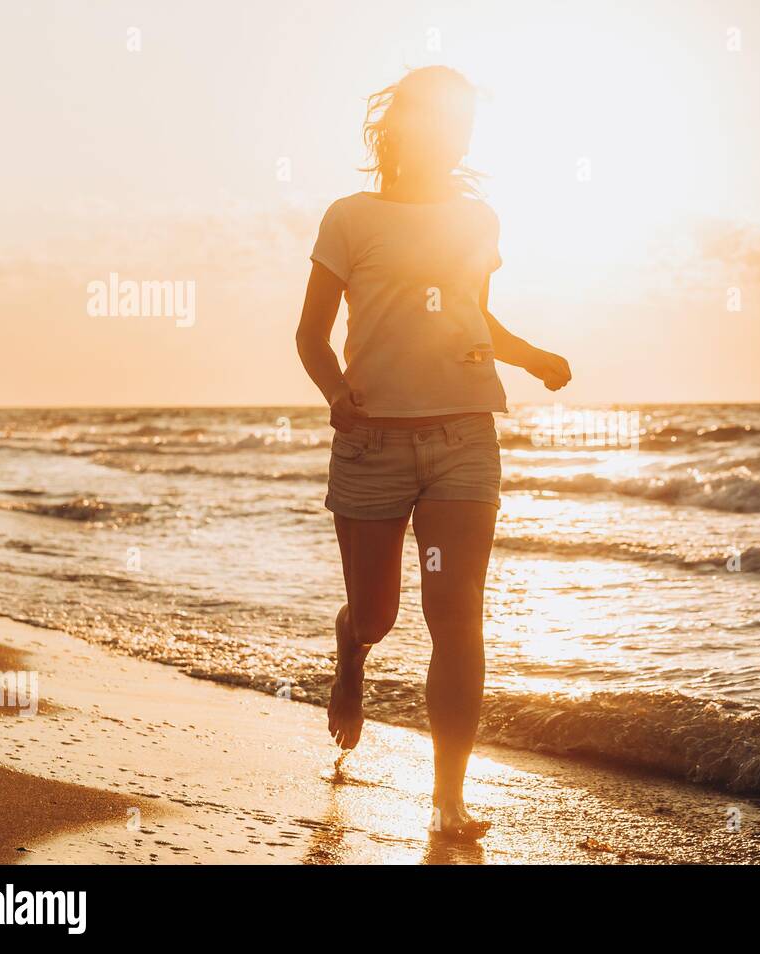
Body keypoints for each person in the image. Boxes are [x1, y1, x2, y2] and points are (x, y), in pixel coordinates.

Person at [295, 66, 571, 839]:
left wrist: (532, 357)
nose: (458, 137)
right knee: (380, 615)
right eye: (445, 121)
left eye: (466, 124)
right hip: (372, 441)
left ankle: (448, 799)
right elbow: (310, 336)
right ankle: (351, 650)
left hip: (463, 439)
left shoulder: (476, 220)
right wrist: (335, 393)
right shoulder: (350, 218)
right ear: (406, 127)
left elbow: (476, 321)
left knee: (458, 620)